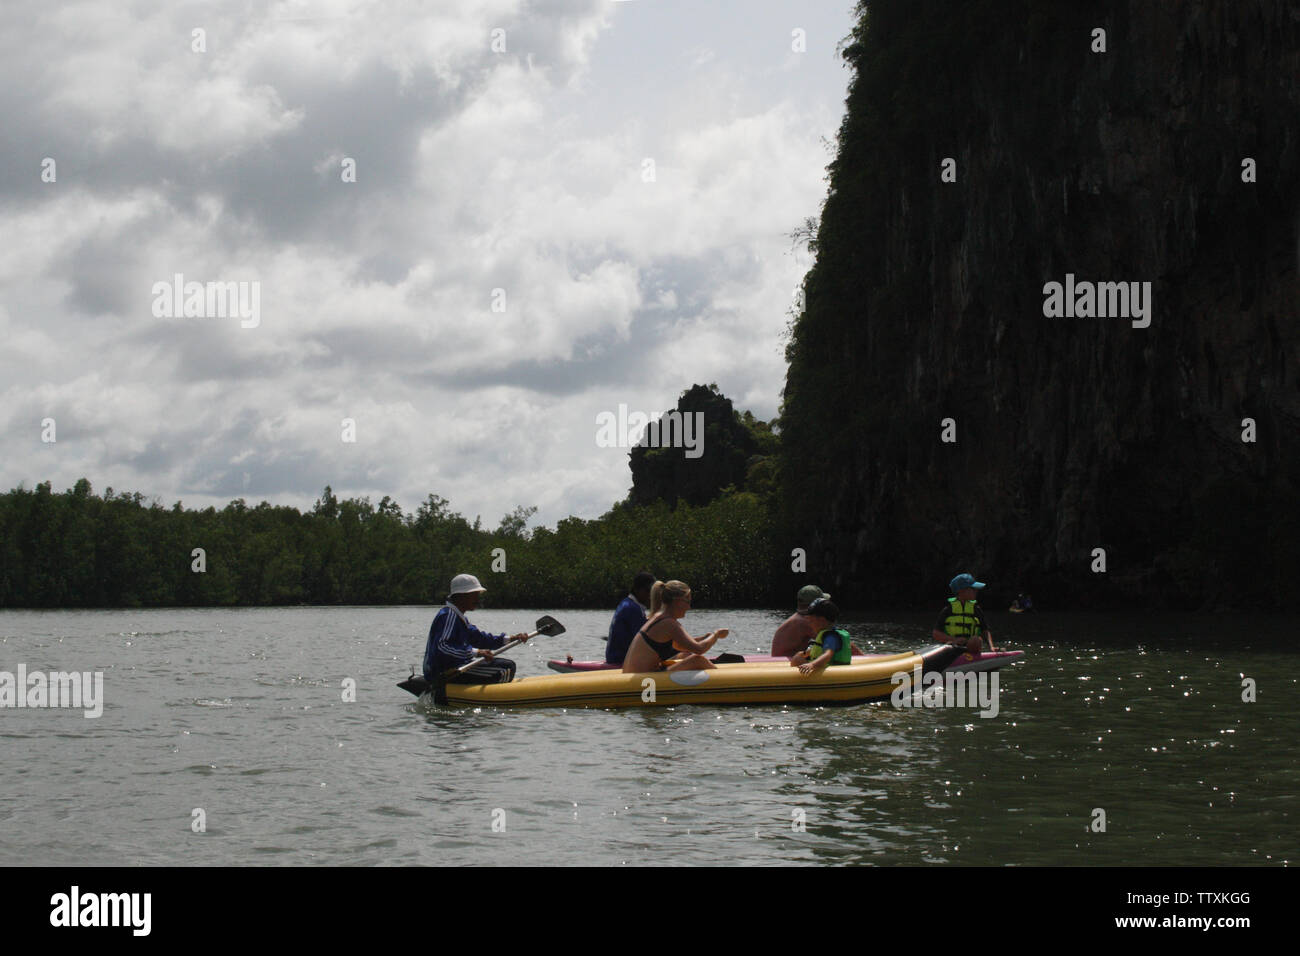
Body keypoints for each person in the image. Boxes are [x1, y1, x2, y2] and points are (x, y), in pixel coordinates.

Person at [423, 573, 531, 686]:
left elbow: (481, 639)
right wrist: (476, 652)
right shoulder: (448, 615)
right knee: (506, 668)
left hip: (457, 667)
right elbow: (443, 647)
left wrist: (512, 638)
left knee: (506, 665)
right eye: (474, 595)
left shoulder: (459, 618)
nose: (477, 599)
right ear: (461, 596)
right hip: (444, 673)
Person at [621, 579, 727, 673]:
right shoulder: (669, 623)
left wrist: (704, 638)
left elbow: (680, 646)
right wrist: (715, 635)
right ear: (677, 601)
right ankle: (725, 684)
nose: (689, 607)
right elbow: (699, 649)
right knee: (697, 660)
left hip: (638, 674)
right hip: (643, 679)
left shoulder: (659, 617)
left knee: (685, 655)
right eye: (687, 602)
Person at [931, 573, 996, 655]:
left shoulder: (976, 609)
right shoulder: (948, 610)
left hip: (970, 647)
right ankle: (917, 667)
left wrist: (991, 647)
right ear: (961, 591)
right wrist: (954, 639)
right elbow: (936, 634)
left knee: (976, 640)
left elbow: (985, 631)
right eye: (973, 589)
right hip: (951, 648)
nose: (976, 591)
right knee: (917, 666)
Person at [790, 599, 852, 675]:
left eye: (811, 621)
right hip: (829, 665)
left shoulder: (830, 637)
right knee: (800, 655)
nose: (809, 624)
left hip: (832, 671)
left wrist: (811, 665)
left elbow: (828, 654)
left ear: (821, 621)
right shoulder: (829, 634)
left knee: (798, 659)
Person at [606, 571, 655, 665]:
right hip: (620, 660)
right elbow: (645, 641)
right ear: (637, 590)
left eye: (653, 591)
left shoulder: (627, 603)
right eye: (648, 591)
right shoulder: (632, 609)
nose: (650, 595)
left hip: (615, 657)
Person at [770, 584, 830, 657]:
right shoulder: (805, 622)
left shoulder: (799, 617)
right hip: (783, 661)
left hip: (781, 658)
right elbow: (828, 639)